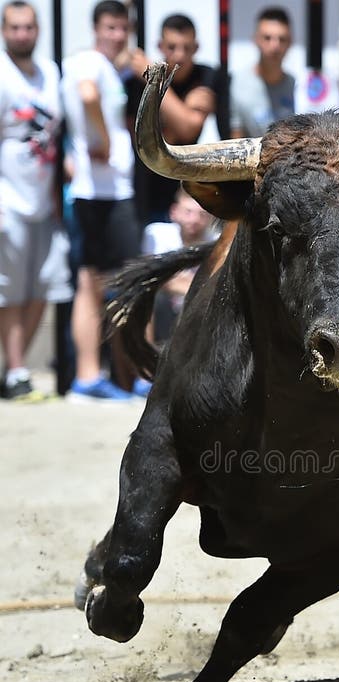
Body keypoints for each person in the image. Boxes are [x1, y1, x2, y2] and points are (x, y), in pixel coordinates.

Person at [61, 0, 141, 401]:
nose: (117, 35)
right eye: (110, 27)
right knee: (93, 283)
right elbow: (88, 95)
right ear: (95, 29)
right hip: (96, 193)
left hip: (110, 190)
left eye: (122, 27)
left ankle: (124, 375)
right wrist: (105, 141)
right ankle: (88, 376)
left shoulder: (107, 65)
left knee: (117, 280)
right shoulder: (88, 63)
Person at [0, 0, 71, 399]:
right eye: (14, 27)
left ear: (38, 30)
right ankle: (16, 372)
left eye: (28, 27)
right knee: (9, 290)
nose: (22, 34)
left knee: (48, 285)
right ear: (3, 31)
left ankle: (13, 369)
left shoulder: (50, 72)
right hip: (7, 200)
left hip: (45, 200)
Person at [126, 13, 227, 225]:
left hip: (190, 199)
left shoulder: (208, 76)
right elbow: (144, 142)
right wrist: (183, 111)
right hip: (146, 193)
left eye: (186, 48)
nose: (179, 55)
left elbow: (188, 129)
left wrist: (154, 82)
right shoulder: (135, 84)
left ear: (196, 48)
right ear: (160, 46)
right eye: (172, 47)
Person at [141, 188, 217, 344]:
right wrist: (199, 285)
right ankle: (145, 355)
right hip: (166, 310)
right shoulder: (157, 234)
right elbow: (154, 277)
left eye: (202, 214)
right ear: (174, 212)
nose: (194, 219)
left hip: (201, 311)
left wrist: (176, 280)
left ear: (210, 218)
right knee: (148, 296)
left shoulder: (217, 242)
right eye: (188, 212)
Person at [230, 7, 295, 139]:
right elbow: (236, 142)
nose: (275, 46)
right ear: (255, 40)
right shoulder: (237, 84)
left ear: (290, 42)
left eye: (282, 39)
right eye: (267, 38)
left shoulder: (298, 85)